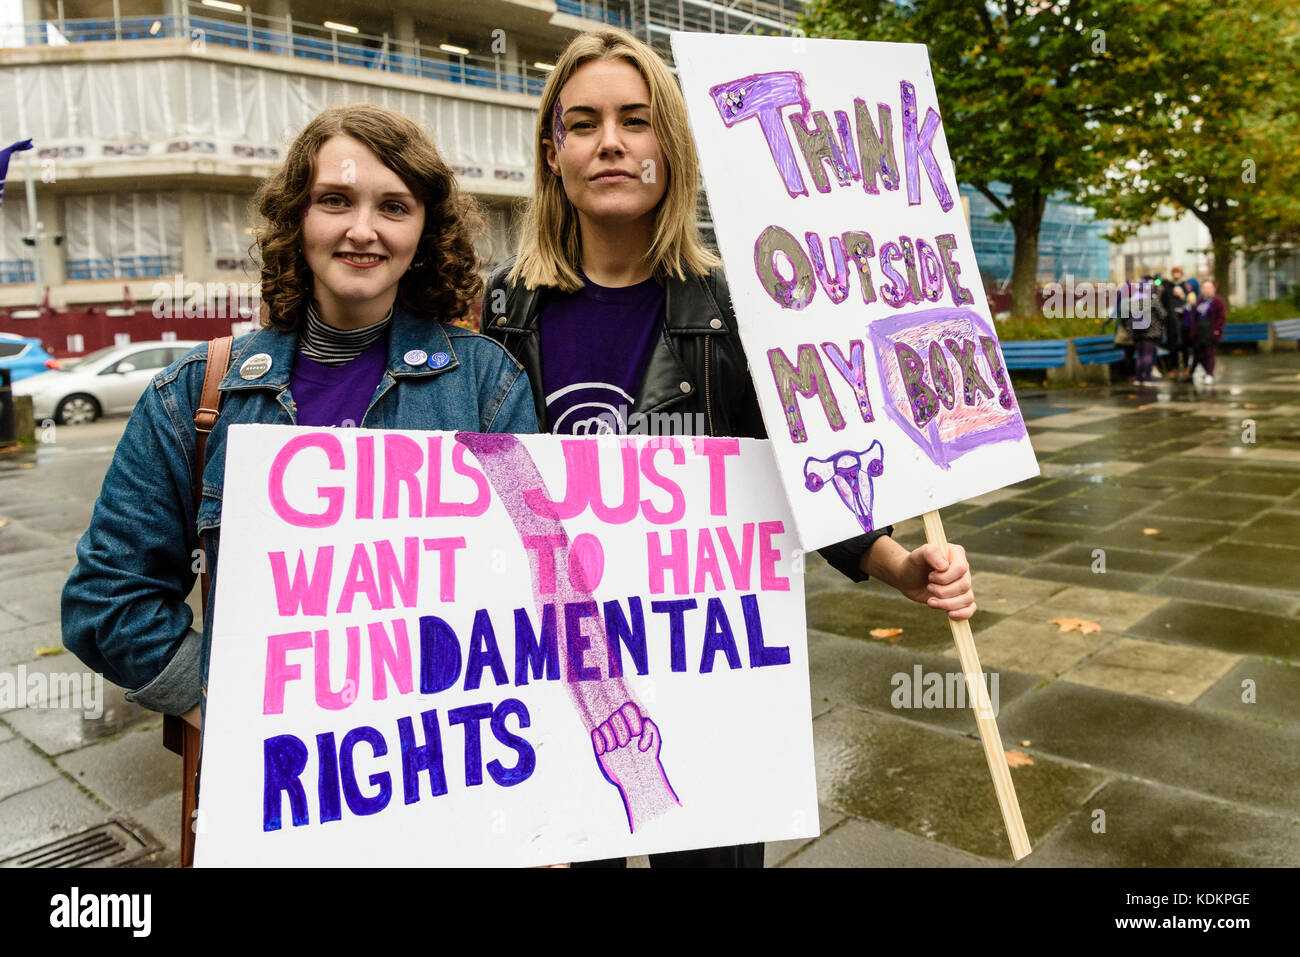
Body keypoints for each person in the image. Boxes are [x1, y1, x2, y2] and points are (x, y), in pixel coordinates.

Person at [481, 28, 977, 868]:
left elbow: (797, 468)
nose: (611, 143)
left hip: (705, 690)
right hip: (548, 688)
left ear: (669, 148)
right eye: (585, 122)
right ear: (551, 149)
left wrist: (898, 563)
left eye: (636, 122)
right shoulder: (499, 310)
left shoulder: (737, 306)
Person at [61, 104, 538, 734]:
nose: (363, 230)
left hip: (442, 763)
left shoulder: (488, 386)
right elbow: (107, 598)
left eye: (394, 207)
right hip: (275, 786)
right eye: (335, 200)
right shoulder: (194, 396)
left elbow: (536, 585)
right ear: (298, 217)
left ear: (425, 231)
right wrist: (230, 706)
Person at [1190, 278, 1227, 384]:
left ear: (1213, 289)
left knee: (1209, 353)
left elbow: (1221, 317)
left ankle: (1210, 374)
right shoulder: (1200, 301)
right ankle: (1207, 372)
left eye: (1209, 287)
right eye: (1204, 288)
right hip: (1200, 331)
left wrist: (1217, 330)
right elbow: (1195, 318)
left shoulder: (1217, 301)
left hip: (1211, 331)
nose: (1206, 290)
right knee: (1199, 354)